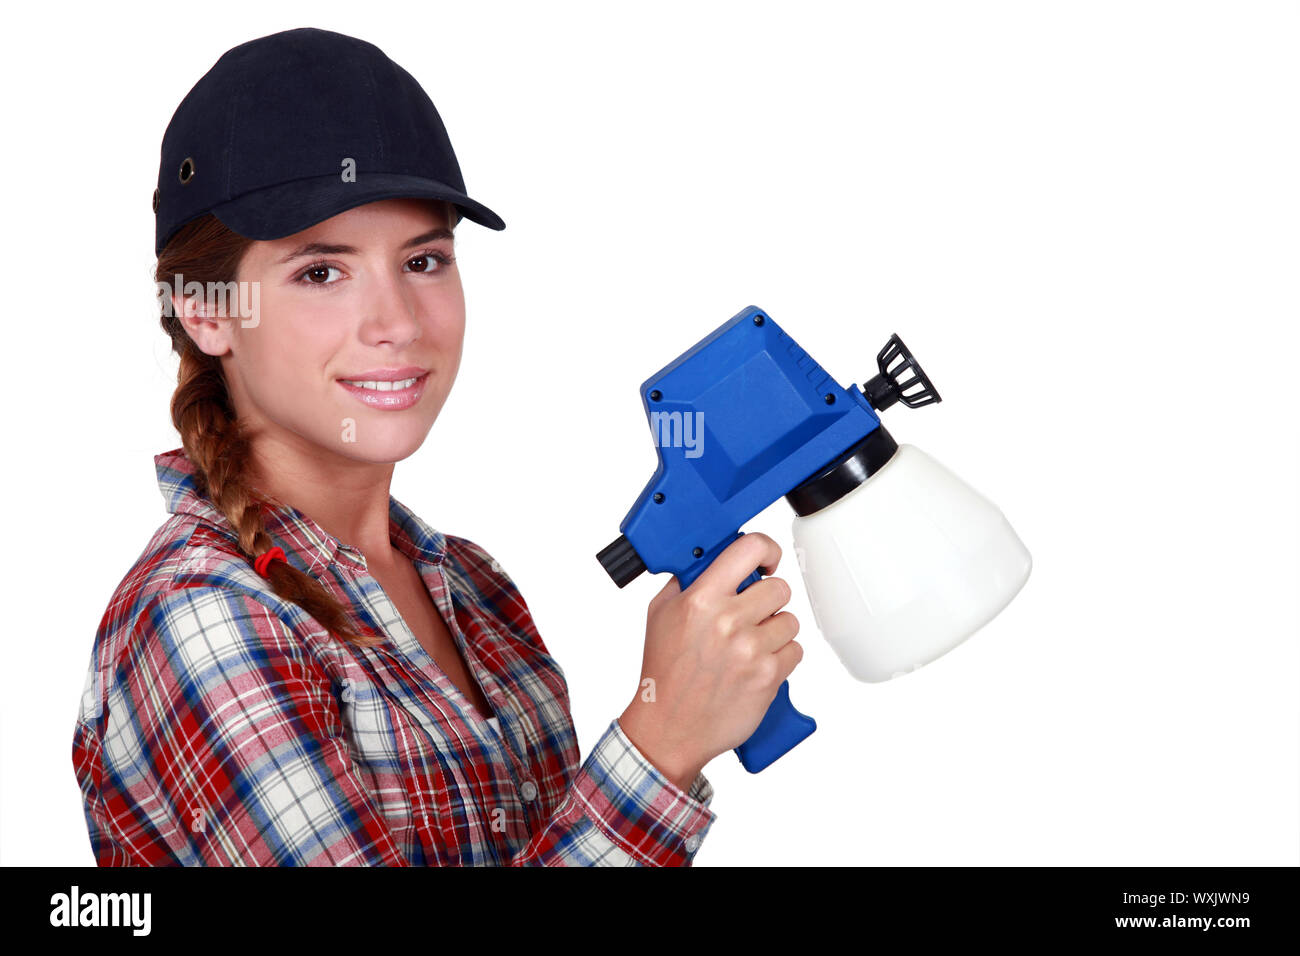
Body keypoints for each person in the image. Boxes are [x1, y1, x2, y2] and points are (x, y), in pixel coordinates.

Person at [71, 27, 803, 866]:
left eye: (423, 260)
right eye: (321, 271)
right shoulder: (202, 618)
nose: (398, 324)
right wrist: (657, 746)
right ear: (205, 312)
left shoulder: (475, 588)